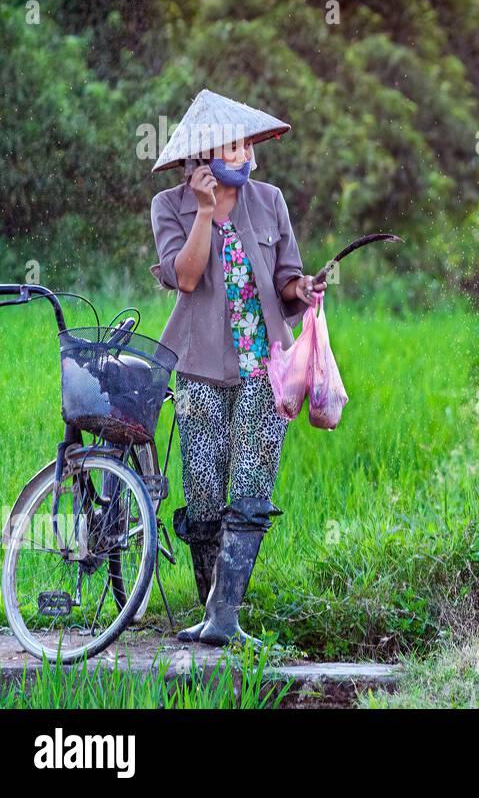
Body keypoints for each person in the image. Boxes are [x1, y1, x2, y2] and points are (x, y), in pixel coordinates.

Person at [149, 89, 325, 647]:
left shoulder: (269, 201)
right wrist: (204, 212)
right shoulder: (170, 206)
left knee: (250, 489)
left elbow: (285, 278)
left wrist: (303, 287)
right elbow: (186, 276)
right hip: (197, 367)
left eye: (247, 144)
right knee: (202, 493)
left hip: (265, 366)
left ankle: (226, 619)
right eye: (232, 145)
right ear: (201, 158)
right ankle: (208, 610)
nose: (244, 154)